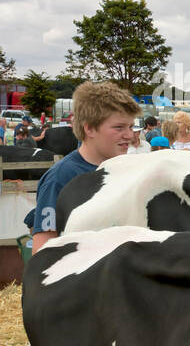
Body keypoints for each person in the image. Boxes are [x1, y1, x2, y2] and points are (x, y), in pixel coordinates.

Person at [24, 81, 139, 255]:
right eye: (119, 127)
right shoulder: (61, 178)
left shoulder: (128, 169)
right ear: (90, 129)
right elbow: (42, 251)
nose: (129, 135)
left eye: (131, 127)